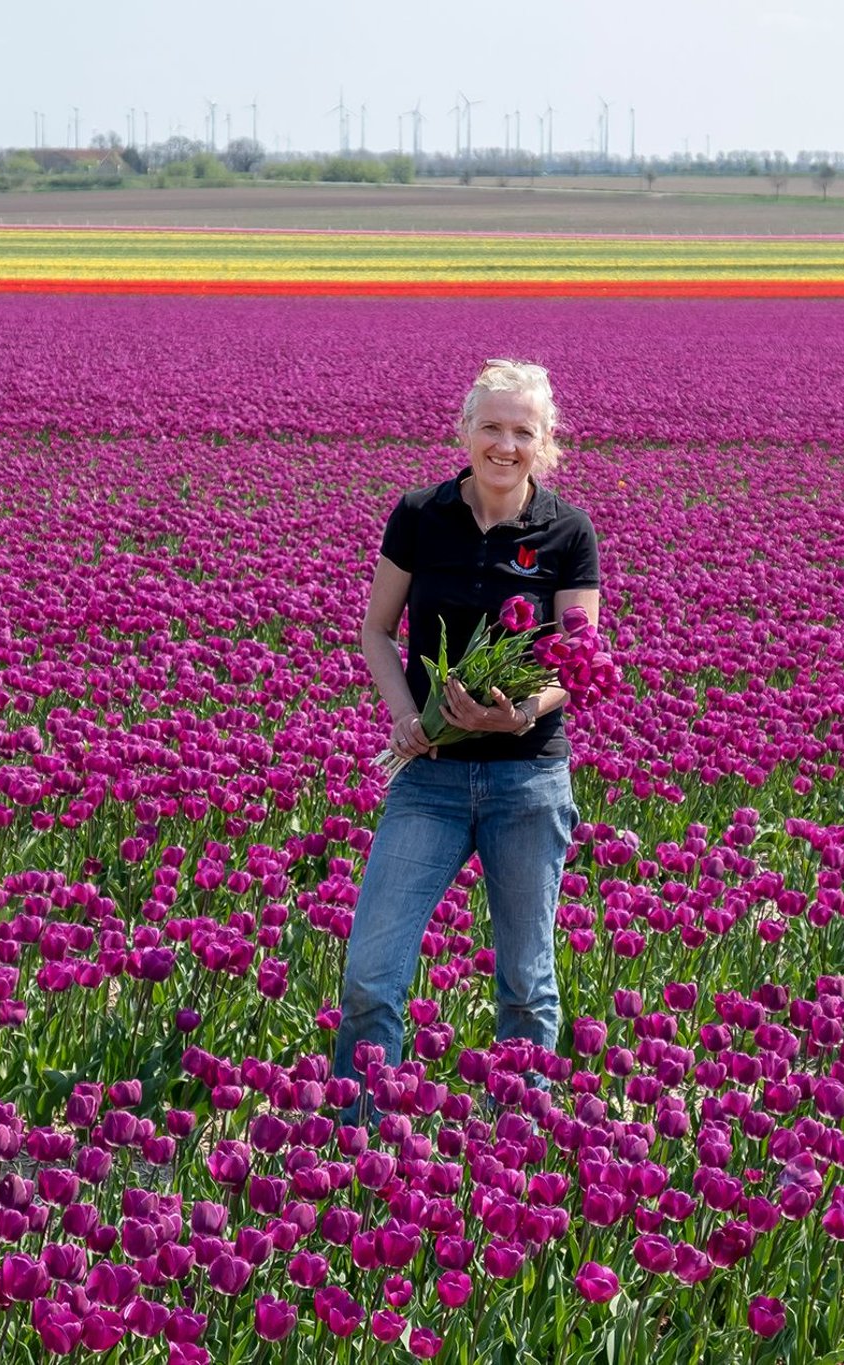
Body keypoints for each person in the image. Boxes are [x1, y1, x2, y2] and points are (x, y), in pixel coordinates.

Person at [332, 359, 601, 1126]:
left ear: (546, 441)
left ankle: (514, 1145)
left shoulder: (568, 532)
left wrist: (519, 716)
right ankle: (361, 1143)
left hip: (527, 782)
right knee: (371, 972)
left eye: (522, 430)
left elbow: (578, 664)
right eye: (491, 427)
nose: (505, 445)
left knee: (526, 983)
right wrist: (406, 715)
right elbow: (376, 631)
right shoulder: (420, 515)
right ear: (465, 431)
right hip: (432, 776)